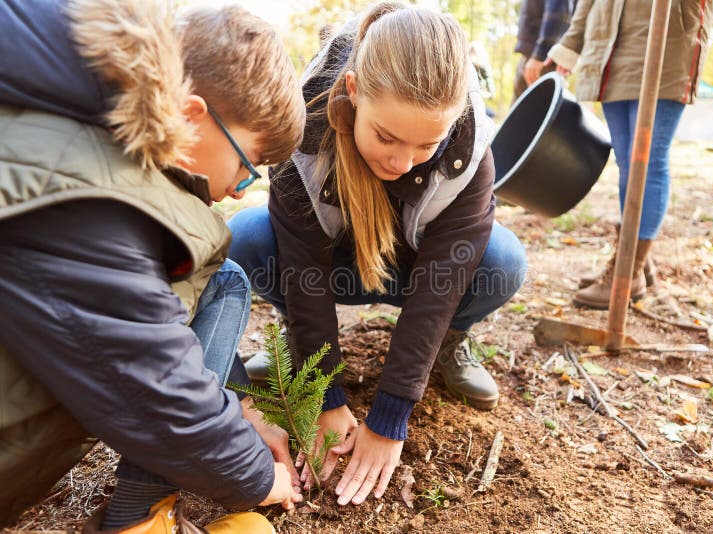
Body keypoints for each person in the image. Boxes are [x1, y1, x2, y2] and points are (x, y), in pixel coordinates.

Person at [0, 1, 307, 532]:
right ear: (192, 115)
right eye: (245, 163)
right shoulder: (81, 199)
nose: (241, 187)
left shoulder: (68, 124)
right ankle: (136, 522)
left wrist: (239, 413)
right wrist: (260, 477)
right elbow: (154, 388)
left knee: (221, 281)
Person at [228, 1, 527, 508]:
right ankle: (298, 348)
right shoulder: (301, 128)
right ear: (352, 94)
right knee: (247, 237)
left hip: (415, 272)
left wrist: (390, 415)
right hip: (330, 268)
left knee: (500, 260)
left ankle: (450, 342)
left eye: (424, 145)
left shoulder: (468, 146)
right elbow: (302, 269)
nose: (401, 161)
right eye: (385, 136)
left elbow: (441, 281)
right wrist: (325, 397)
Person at [546, 0, 713, 308]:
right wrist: (569, 46)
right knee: (627, 161)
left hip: (666, 37)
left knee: (647, 160)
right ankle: (632, 259)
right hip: (610, 43)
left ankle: (629, 271)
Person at [513, 0, 573, 101]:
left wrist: (540, 55)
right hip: (535, 53)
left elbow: (558, 12)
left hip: (542, 58)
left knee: (529, 110)